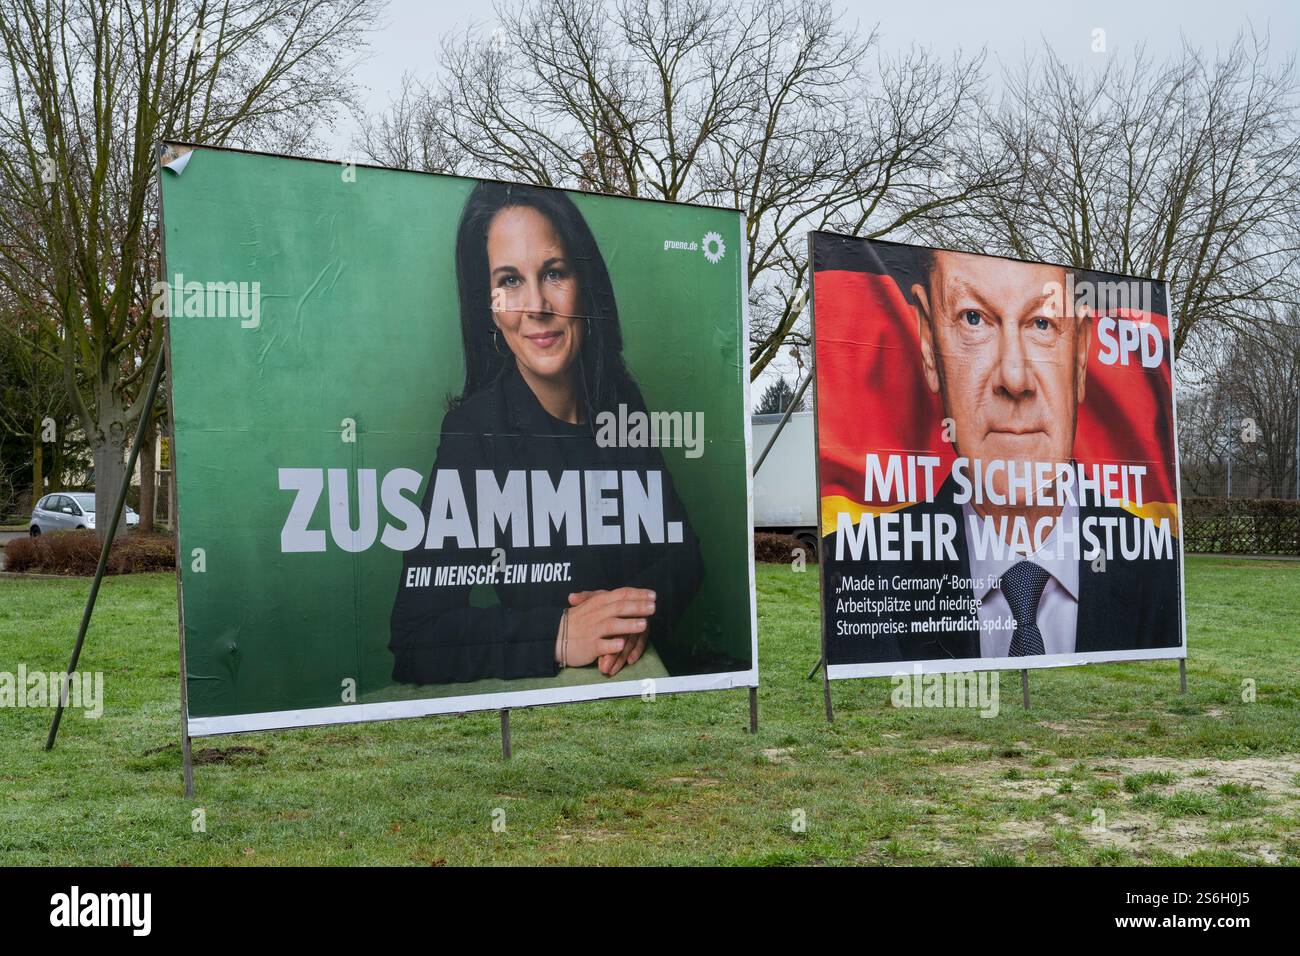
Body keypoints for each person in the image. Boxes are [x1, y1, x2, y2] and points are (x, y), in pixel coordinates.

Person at [390, 182, 703, 685]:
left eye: (553, 273)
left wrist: (626, 618)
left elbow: (685, 555)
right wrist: (558, 632)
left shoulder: (620, 400)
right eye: (509, 281)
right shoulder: (475, 435)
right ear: (487, 306)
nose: (536, 305)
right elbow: (415, 637)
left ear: (585, 282)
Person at [823, 248, 1181, 664]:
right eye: (973, 318)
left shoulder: (1159, 574)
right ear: (928, 343)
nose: (1014, 378)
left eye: (1042, 324)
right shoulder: (859, 570)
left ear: (1080, 355)